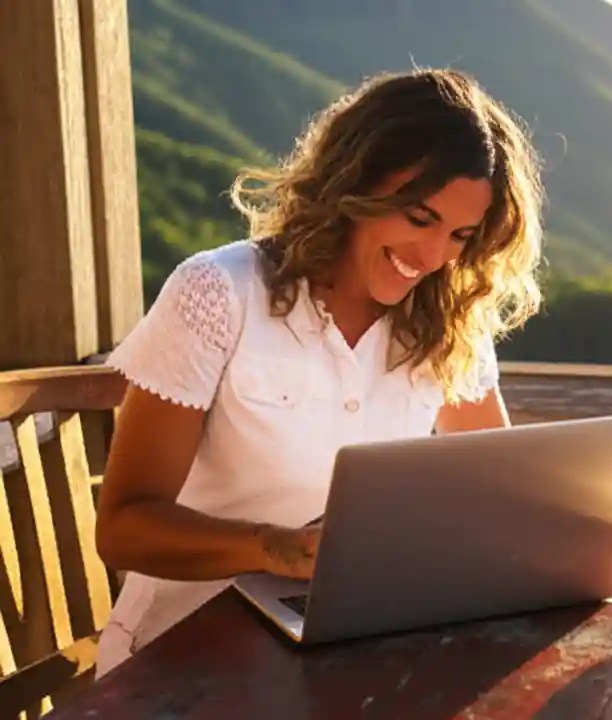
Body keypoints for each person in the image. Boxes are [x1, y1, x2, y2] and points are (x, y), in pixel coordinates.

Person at [93, 68, 544, 677]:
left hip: (350, 654)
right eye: (418, 218)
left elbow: (503, 498)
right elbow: (123, 530)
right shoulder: (218, 293)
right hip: (184, 660)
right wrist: (277, 549)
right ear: (353, 184)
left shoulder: (449, 324)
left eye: (460, 235)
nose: (433, 257)